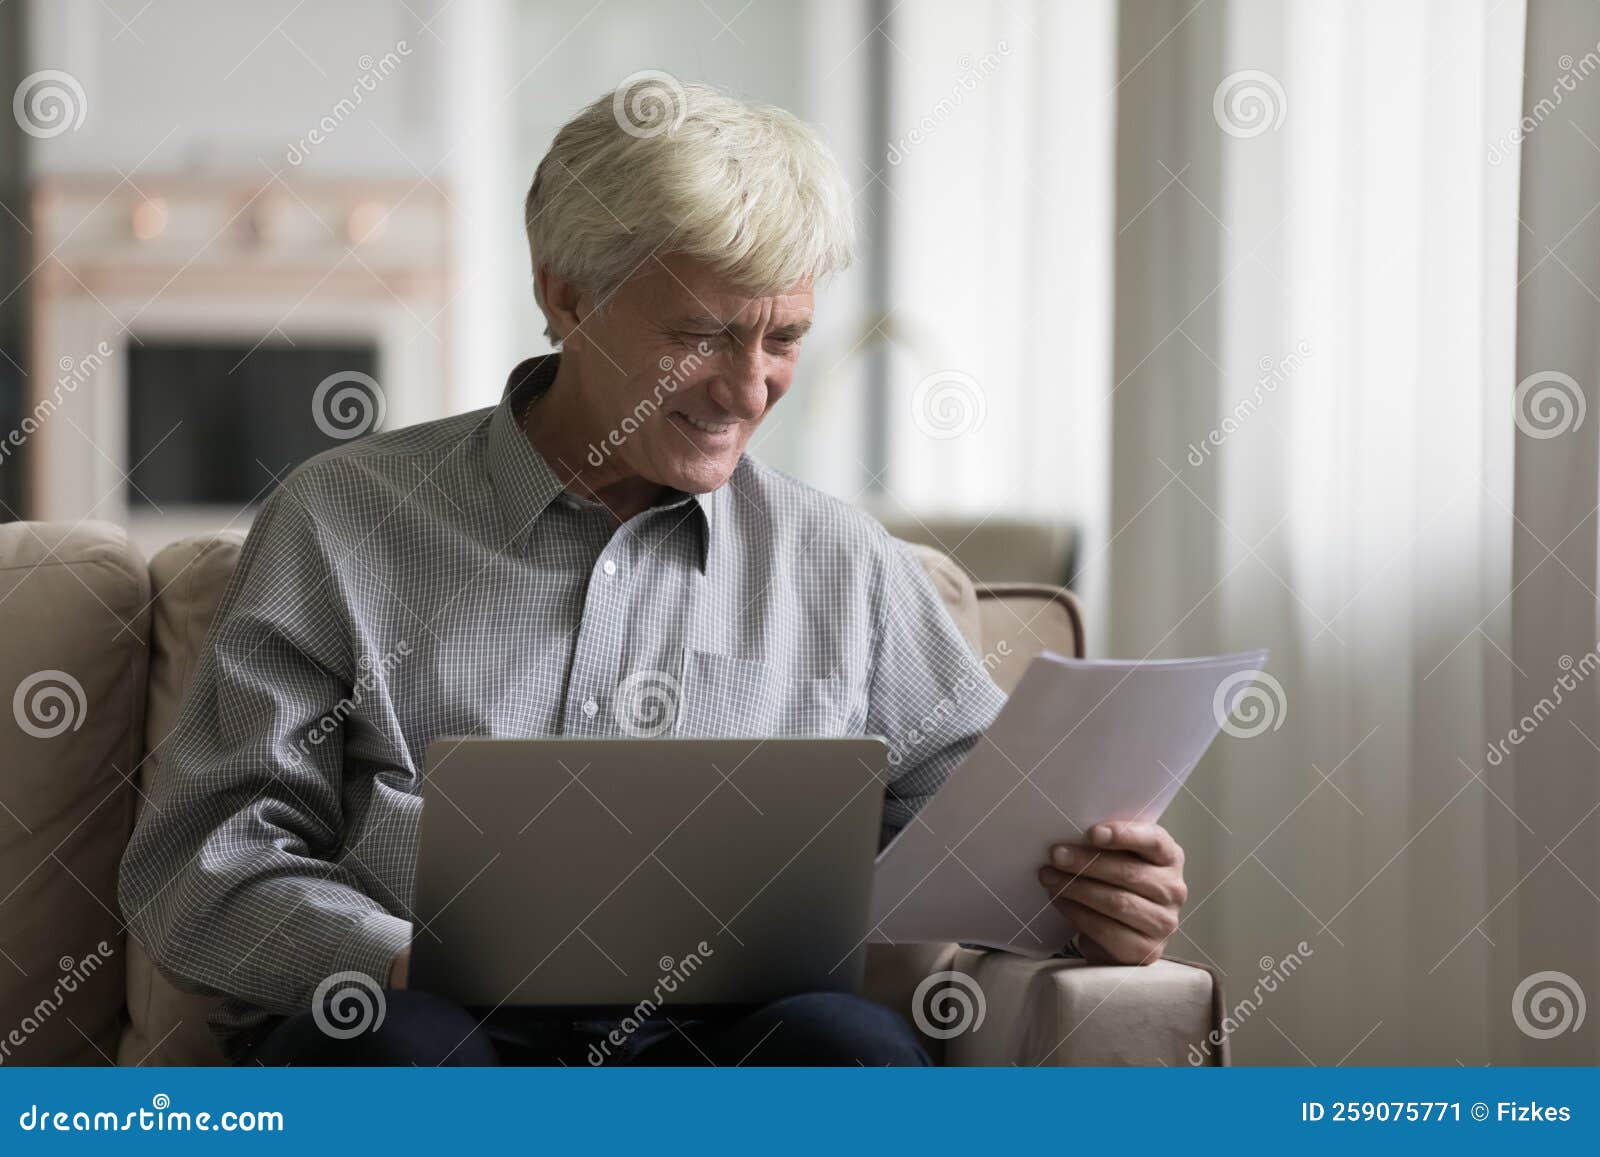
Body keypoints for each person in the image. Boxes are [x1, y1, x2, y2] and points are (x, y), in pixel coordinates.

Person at [117, 78, 1187, 1067]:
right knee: (397, 1050)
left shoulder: (844, 566)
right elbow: (203, 861)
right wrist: (396, 960)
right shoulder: (342, 520)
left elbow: (994, 835)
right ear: (567, 297)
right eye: (703, 334)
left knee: (849, 1052)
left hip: (721, 1043)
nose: (748, 390)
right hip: (423, 1019)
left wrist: (1093, 892)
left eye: (784, 339)